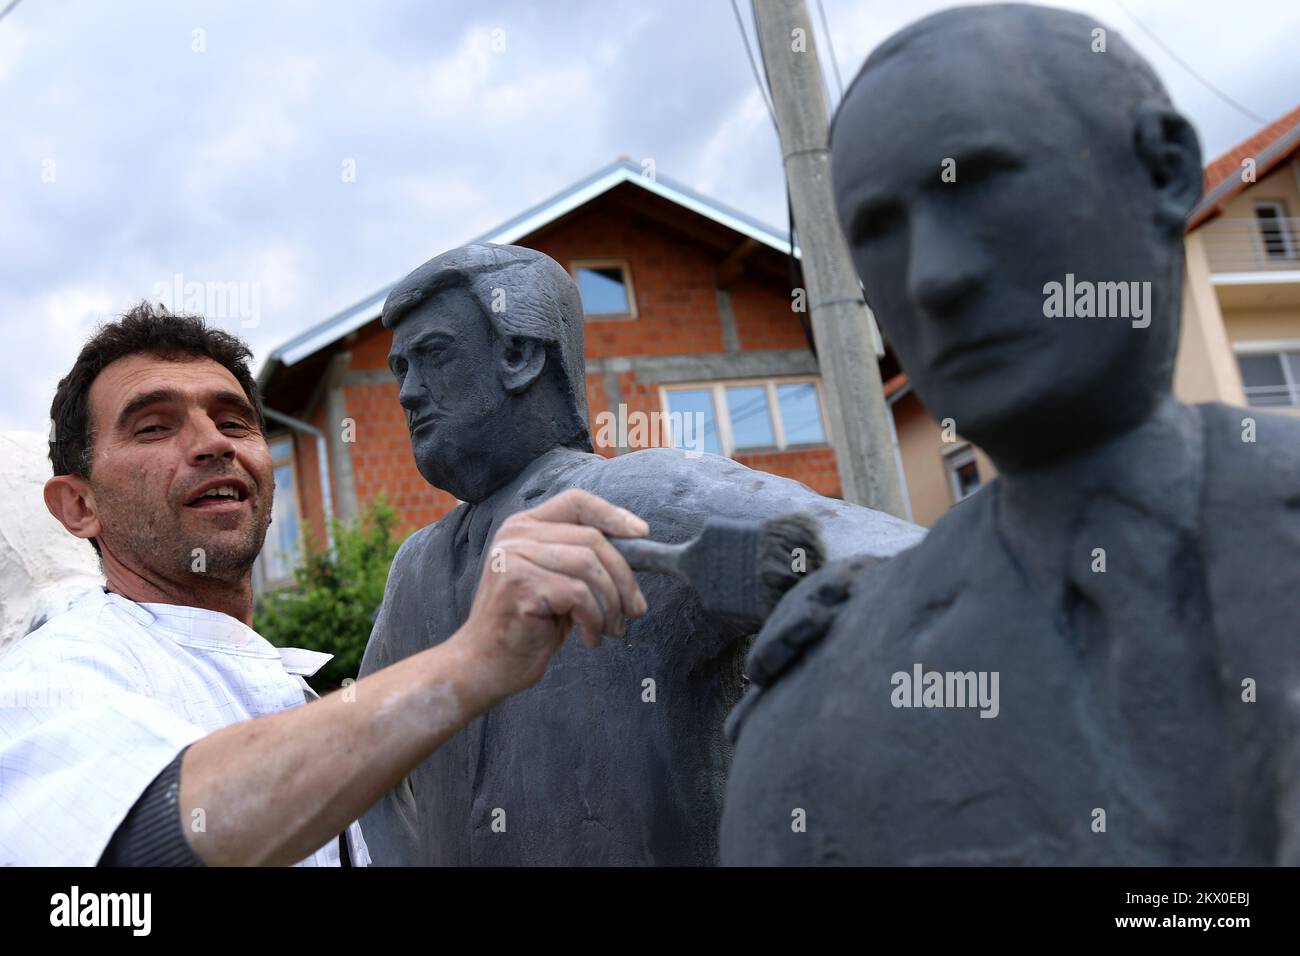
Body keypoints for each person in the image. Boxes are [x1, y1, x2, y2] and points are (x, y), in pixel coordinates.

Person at [721, 3, 1300, 865]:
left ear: (1165, 169)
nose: (934, 277)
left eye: (978, 185)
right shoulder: (818, 696)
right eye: (878, 231)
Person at [0, 303, 648, 866]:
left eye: (233, 422)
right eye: (154, 426)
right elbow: (146, 844)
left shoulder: (291, 691)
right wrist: (472, 663)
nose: (212, 444)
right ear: (78, 505)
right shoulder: (48, 678)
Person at [358, 243, 922, 865]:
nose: (407, 393)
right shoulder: (414, 570)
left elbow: (900, 564)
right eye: (400, 369)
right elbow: (363, 754)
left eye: (434, 356)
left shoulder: (642, 495)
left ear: (520, 355)